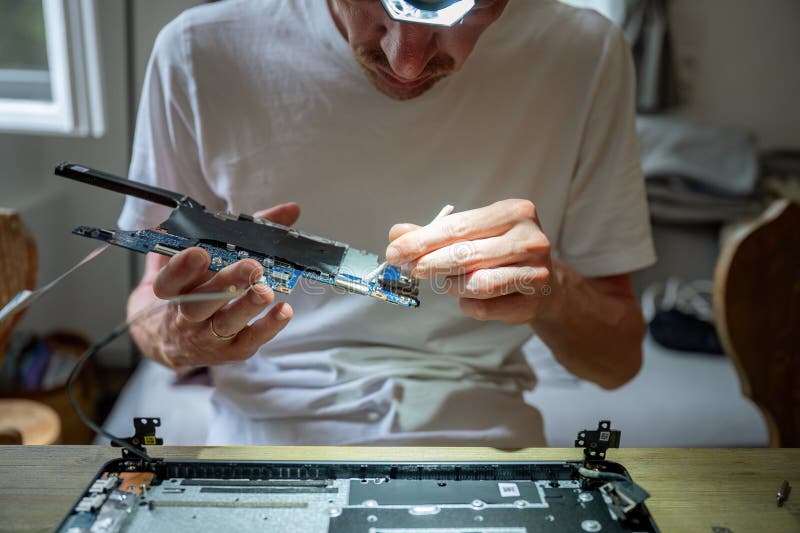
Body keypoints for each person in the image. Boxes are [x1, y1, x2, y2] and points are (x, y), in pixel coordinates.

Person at [119, 0, 656, 446]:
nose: (406, 63)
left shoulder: (584, 54)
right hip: (262, 437)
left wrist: (553, 291)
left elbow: (618, 363)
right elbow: (152, 304)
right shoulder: (197, 52)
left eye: (462, 12)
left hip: (487, 446)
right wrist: (181, 336)